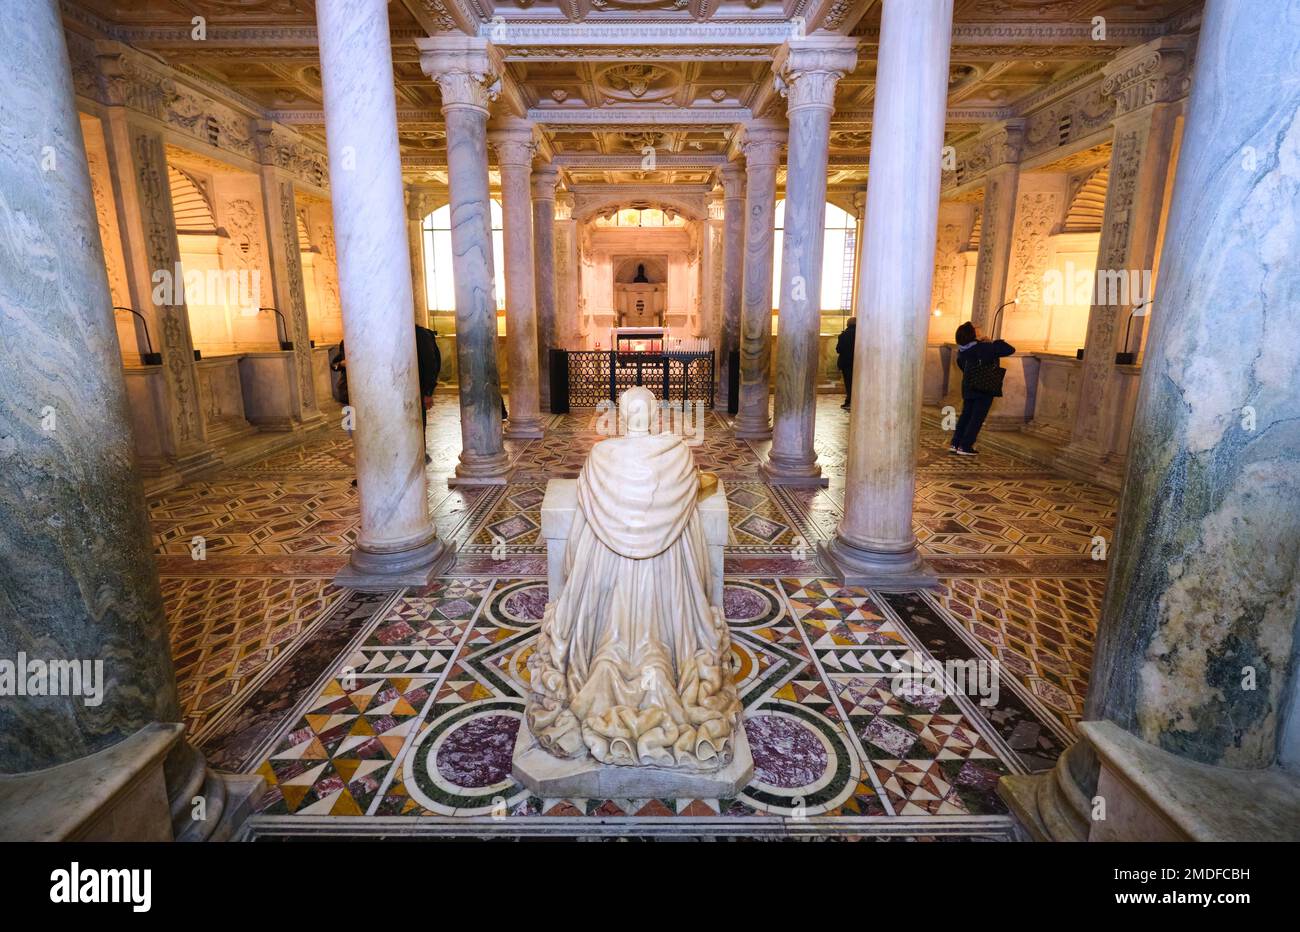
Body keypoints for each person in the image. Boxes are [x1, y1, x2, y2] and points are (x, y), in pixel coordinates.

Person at [525, 387, 741, 770]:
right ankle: (664, 664)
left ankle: (605, 661)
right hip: (664, 580)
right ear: (657, 415)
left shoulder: (602, 456)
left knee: (604, 639)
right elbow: (691, 494)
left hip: (610, 578)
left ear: (621, 417)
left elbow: (584, 517)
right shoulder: (676, 452)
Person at [951, 320, 1015, 456]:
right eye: (976, 328)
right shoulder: (983, 348)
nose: (980, 328)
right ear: (972, 333)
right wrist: (991, 342)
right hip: (983, 387)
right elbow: (1009, 349)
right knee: (976, 418)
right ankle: (965, 446)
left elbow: (963, 367)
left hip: (968, 386)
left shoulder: (962, 350)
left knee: (966, 416)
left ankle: (955, 443)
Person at [414, 324, 441, 465]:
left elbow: (431, 364)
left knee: (417, 423)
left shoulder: (420, 334)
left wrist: (428, 392)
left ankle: (419, 456)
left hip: (417, 390)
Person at [835, 317, 856, 409]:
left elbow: (838, 349)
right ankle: (855, 402)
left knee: (848, 383)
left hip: (846, 363)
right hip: (858, 363)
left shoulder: (843, 335)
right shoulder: (861, 334)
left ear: (847, 324)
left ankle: (849, 402)